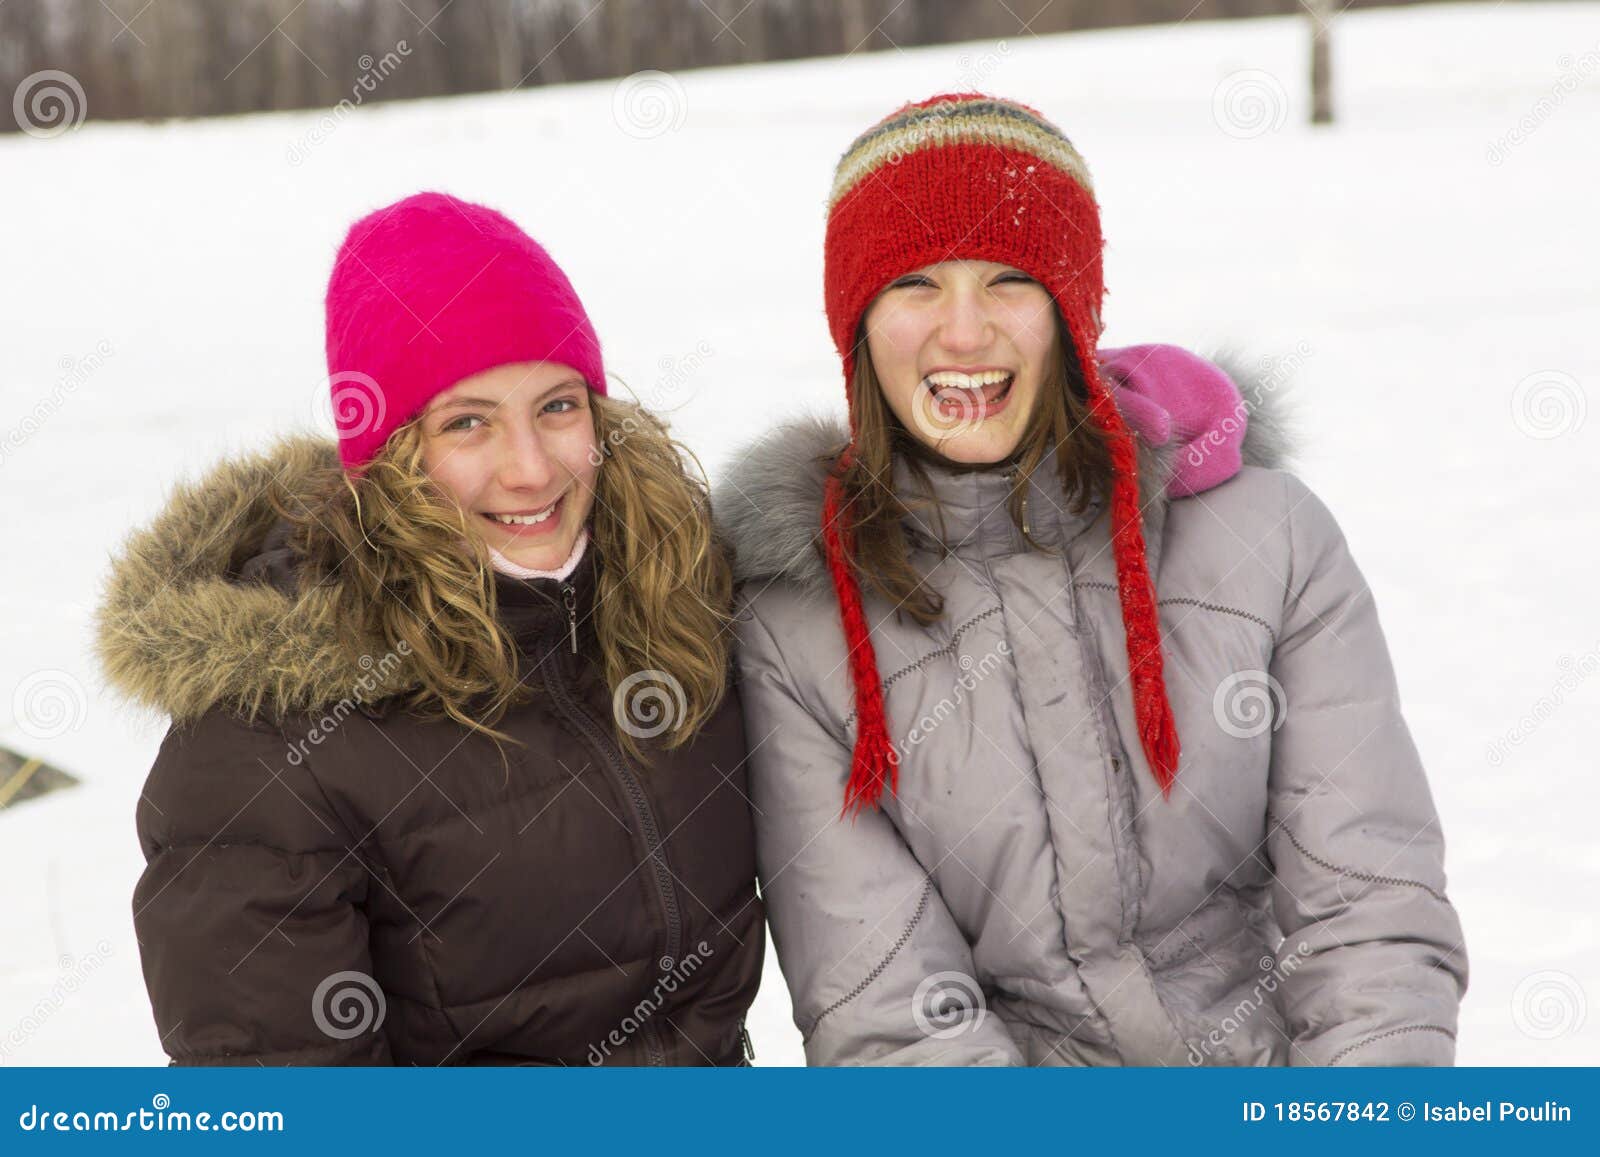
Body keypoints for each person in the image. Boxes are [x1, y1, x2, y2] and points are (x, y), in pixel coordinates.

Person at [717, 94, 1467, 1066]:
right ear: (855, 324)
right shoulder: (800, 626)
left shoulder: (1264, 539)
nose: (962, 331)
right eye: (913, 284)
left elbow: (1368, 910)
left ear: (1069, 311)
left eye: (1008, 280)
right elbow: (895, 1015)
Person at [96, 191, 763, 1066]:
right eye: (467, 422)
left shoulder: (679, 603)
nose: (530, 469)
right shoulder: (267, 744)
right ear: (392, 456)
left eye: (558, 406)